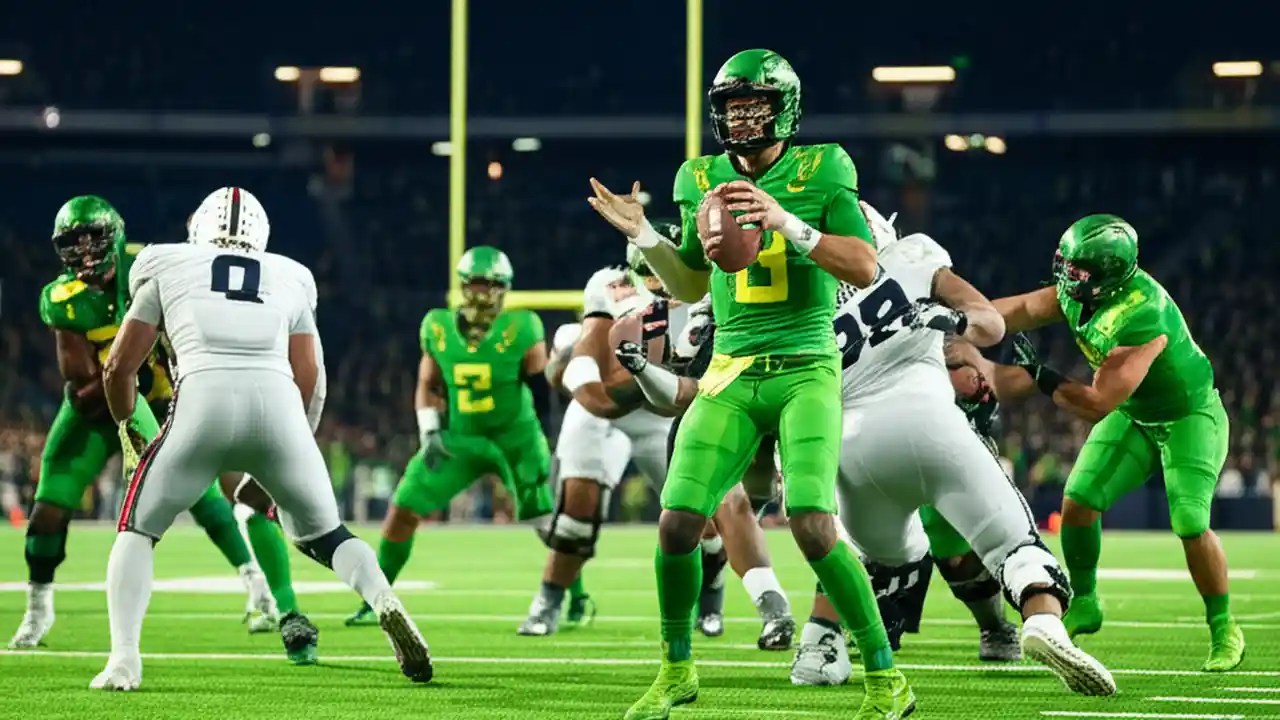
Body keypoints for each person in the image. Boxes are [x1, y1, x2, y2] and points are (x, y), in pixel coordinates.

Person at [589, 48, 912, 719]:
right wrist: (647, 233)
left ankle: (886, 679)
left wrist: (786, 221)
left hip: (804, 367)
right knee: (677, 523)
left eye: (754, 105)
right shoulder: (698, 176)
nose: (740, 118)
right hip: (732, 370)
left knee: (815, 527)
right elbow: (690, 283)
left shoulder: (824, 166)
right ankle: (677, 670)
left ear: (783, 108)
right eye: (731, 107)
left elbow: (865, 265)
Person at [91, 186, 431, 690]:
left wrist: (126, 426)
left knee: (138, 529)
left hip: (202, 399)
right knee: (328, 535)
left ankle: (123, 661)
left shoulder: (166, 263)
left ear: (199, 229)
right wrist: (296, 445)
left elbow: (120, 366)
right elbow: (311, 374)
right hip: (279, 406)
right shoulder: (291, 276)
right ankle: (383, 598)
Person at [784, 206, 1114, 696]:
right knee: (1015, 548)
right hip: (928, 424)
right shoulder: (912, 257)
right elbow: (991, 326)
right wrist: (953, 320)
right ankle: (1044, 623)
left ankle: (821, 648)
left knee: (877, 553)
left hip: (846, 452)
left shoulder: (796, 305)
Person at [11, 195, 282, 650]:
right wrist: (135, 364)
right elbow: (82, 383)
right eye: (72, 243)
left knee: (201, 497)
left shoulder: (152, 266)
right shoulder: (66, 299)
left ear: (113, 234)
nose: (84, 252)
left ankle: (257, 585)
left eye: (91, 238)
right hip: (94, 413)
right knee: (46, 513)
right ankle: (38, 609)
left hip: (157, 402)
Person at [990, 213, 1245, 672]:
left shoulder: (1142, 313)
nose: (1067, 276)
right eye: (1064, 262)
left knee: (1190, 520)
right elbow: (1024, 309)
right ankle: (1086, 599)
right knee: (1080, 499)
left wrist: (1040, 375)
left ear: (1108, 278)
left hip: (1187, 415)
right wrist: (963, 319)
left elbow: (1097, 404)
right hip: (1137, 414)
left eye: (1078, 271)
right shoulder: (1080, 292)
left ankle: (1224, 625)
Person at [345, 246, 559, 627]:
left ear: (505, 289)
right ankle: (377, 599)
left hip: (515, 436)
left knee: (545, 521)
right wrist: (429, 430)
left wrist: (547, 439)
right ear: (462, 286)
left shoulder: (523, 327)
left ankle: (569, 596)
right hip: (459, 437)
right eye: (477, 283)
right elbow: (427, 383)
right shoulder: (438, 326)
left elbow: (541, 392)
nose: (483, 292)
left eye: (492, 284)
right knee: (403, 509)